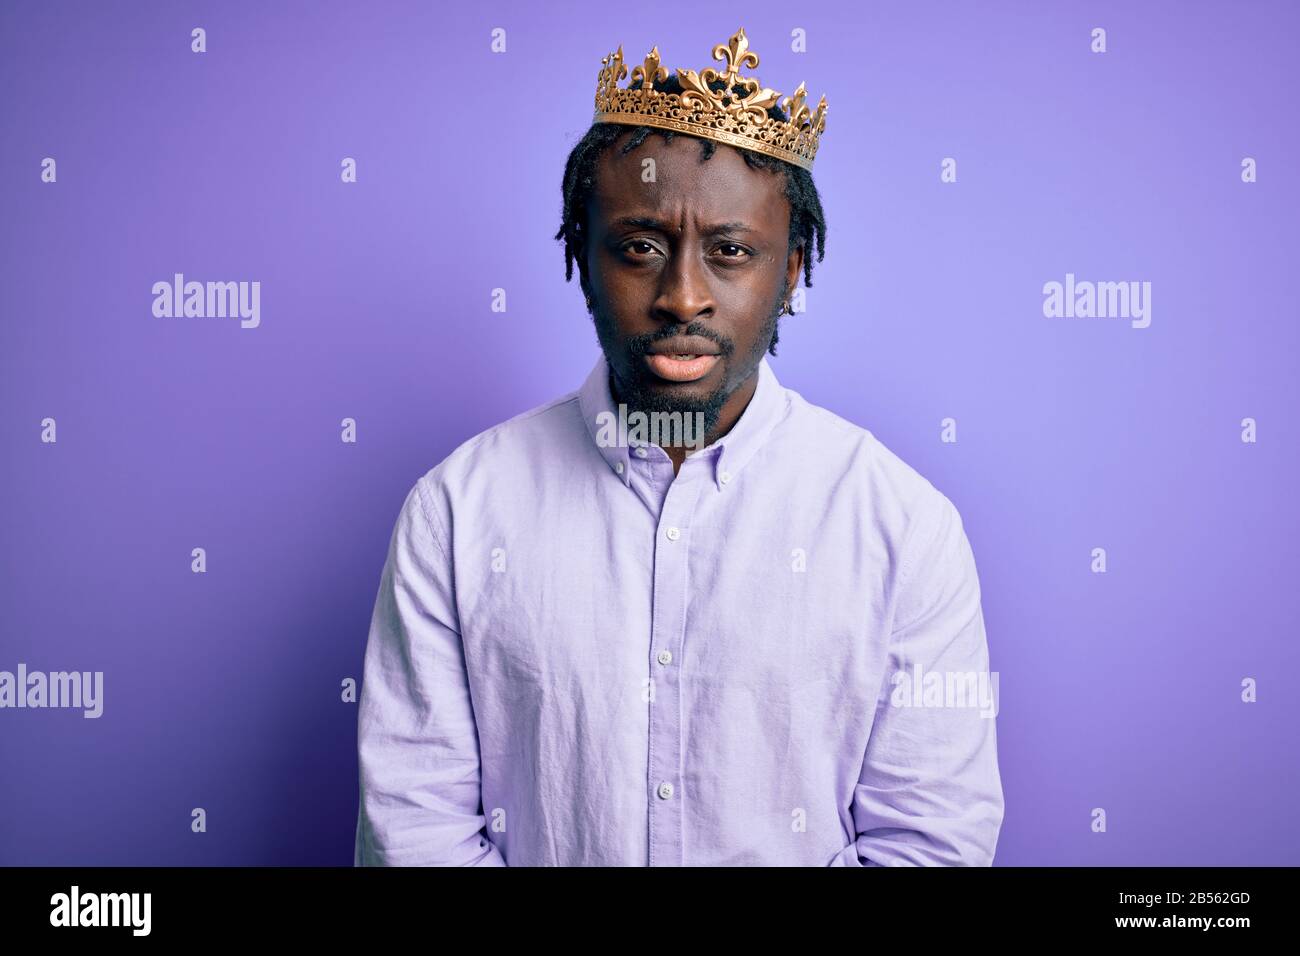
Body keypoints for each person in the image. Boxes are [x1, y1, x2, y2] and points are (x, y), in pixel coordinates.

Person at [354, 26, 1004, 866]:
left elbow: (931, 845)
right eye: (639, 248)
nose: (683, 296)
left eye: (731, 252)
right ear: (580, 262)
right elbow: (416, 832)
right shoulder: (455, 512)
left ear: (794, 271)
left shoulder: (905, 529)